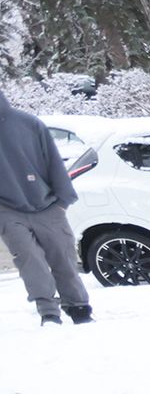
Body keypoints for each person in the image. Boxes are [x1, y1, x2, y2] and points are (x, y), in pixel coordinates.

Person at [0, 95, 96, 324]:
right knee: (30, 261)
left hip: (48, 204)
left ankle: (79, 308)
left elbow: (52, 160)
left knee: (63, 257)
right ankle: (49, 313)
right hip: (6, 210)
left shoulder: (27, 123)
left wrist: (63, 200)